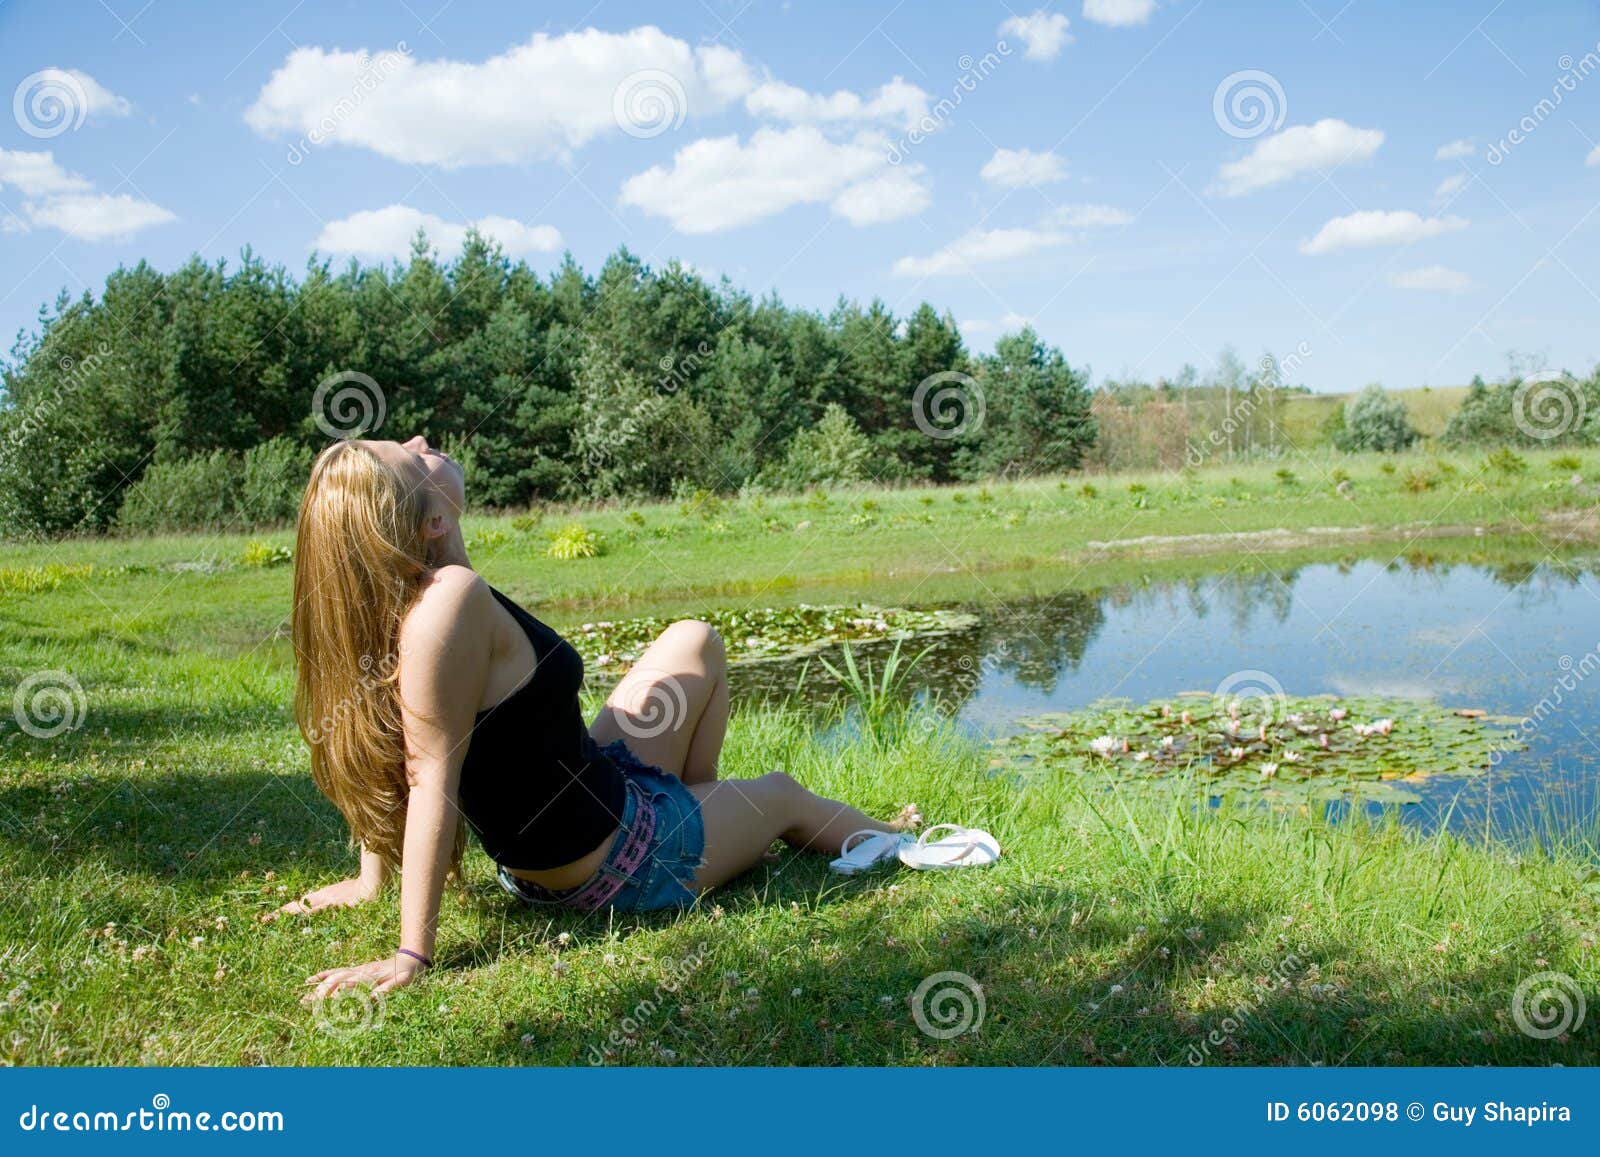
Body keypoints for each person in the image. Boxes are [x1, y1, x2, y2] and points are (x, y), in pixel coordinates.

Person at [287, 436, 919, 1003]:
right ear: (428, 520)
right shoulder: (449, 601)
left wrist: (372, 878)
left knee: (694, 639)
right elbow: (423, 769)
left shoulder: (439, 590)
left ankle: (704, 806)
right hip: (615, 864)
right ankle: (889, 839)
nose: (421, 439)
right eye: (411, 455)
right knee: (783, 795)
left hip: (593, 802)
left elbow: (389, 732)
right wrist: (412, 953)